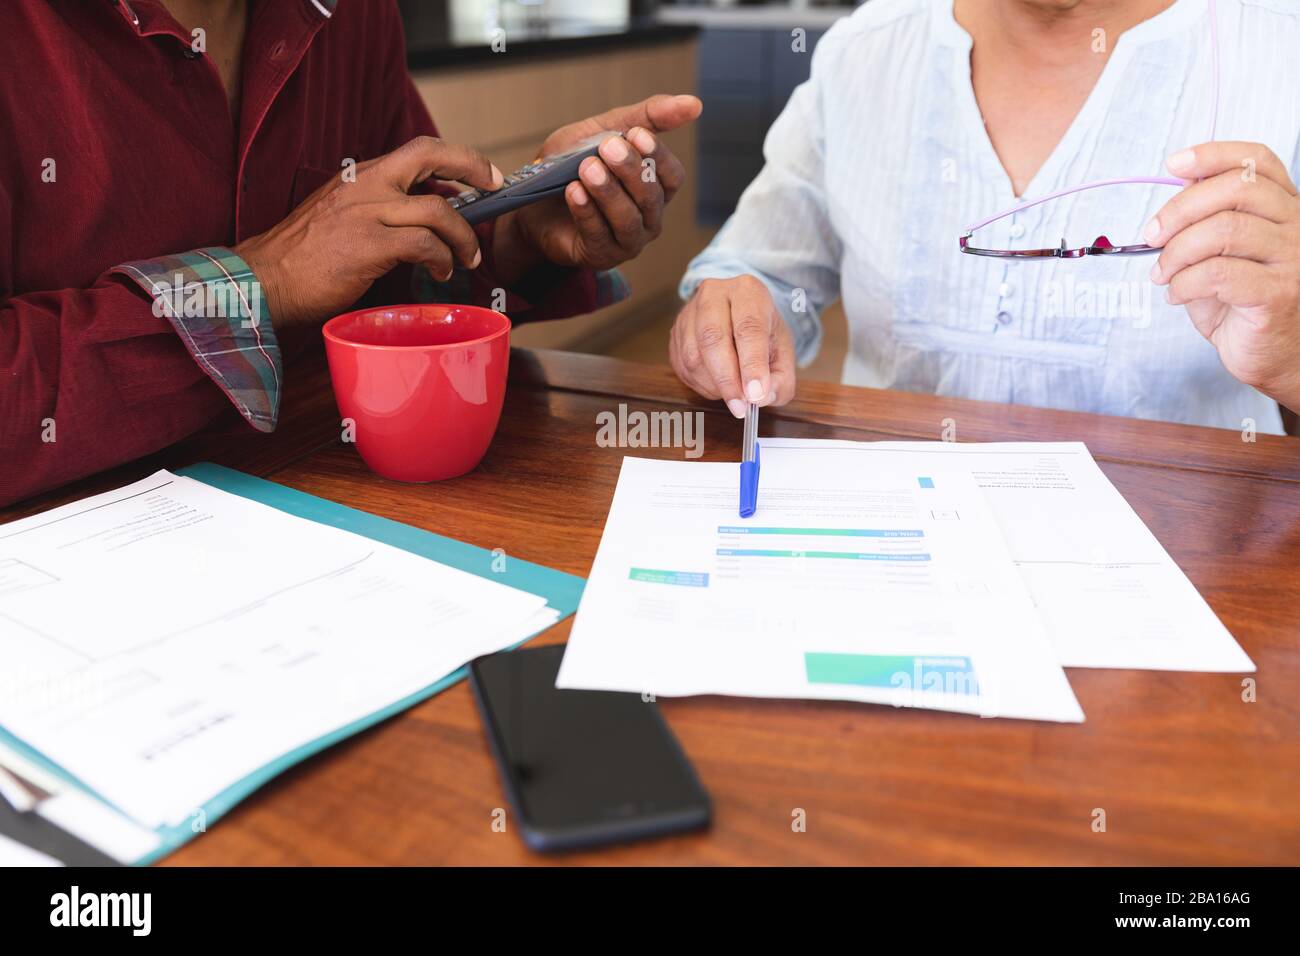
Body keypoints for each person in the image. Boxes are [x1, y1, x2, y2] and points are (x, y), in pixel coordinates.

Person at [0, 0, 701, 505]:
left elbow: (387, 270)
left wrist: (517, 237)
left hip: (333, 508)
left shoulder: (352, 16)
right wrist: (263, 281)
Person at [671, 0, 1300, 434]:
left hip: (1201, 573)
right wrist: (727, 320)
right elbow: (758, 272)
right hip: (895, 555)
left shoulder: (1276, 54)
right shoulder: (866, 53)